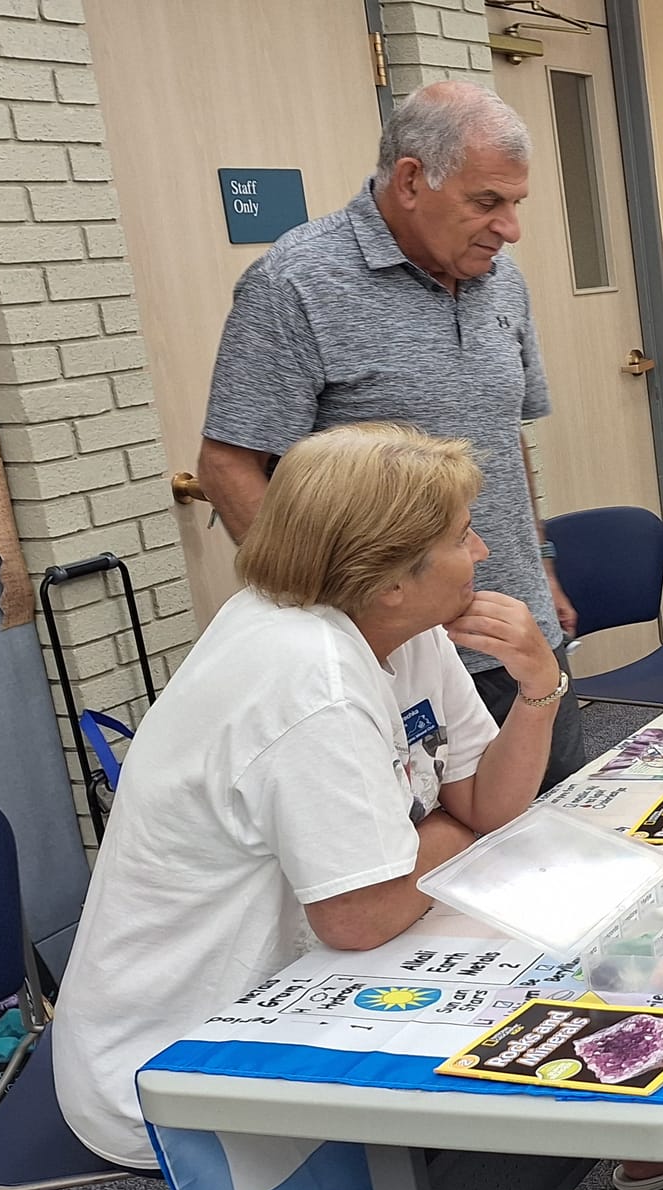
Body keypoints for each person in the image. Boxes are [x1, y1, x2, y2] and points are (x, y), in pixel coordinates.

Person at [52, 423, 563, 1190]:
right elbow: (362, 915)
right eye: (460, 535)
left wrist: (538, 688)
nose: (483, 551)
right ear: (388, 575)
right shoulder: (307, 673)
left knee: (540, 984)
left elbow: (486, 809)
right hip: (171, 1046)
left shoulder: (395, 630)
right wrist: (449, 833)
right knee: (501, 1048)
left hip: (292, 967)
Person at [192, 80, 589, 787]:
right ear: (411, 180)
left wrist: (542, 560)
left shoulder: (503, 282)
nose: (510, 228)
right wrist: (330, 612)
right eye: (487, 201)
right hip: (398, 666)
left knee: (557, 843)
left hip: (518, 635)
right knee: (426, 874)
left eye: (516, 204)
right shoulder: (295, 284)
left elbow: (502, 434)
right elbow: (228, 464)